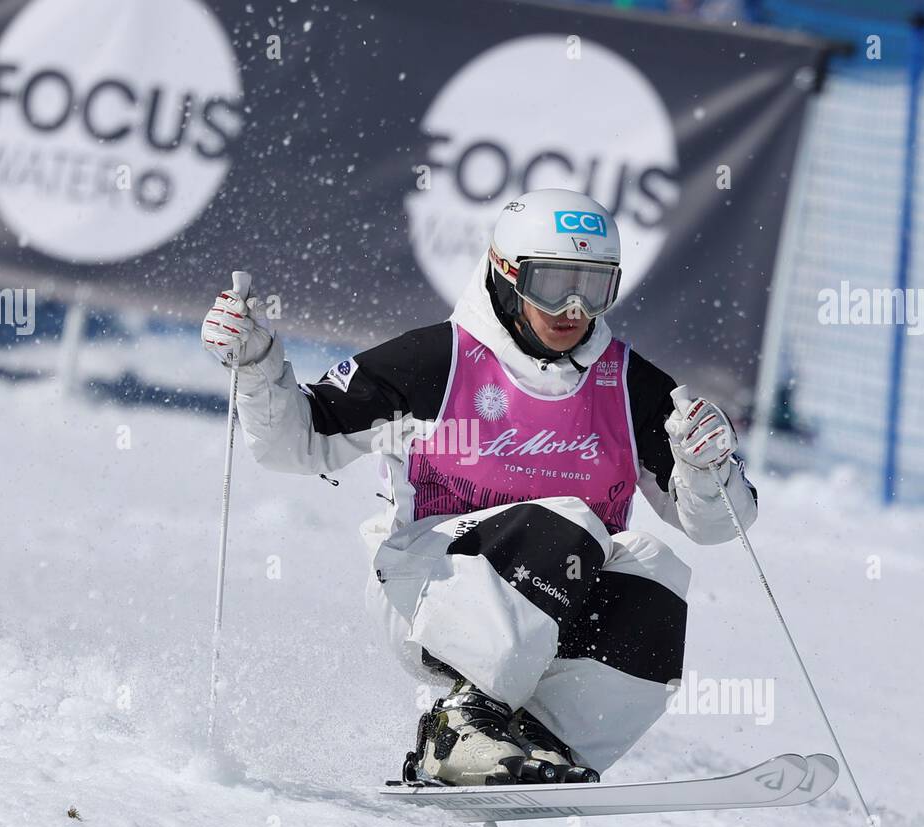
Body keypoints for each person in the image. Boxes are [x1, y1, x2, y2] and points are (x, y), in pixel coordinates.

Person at [202, 188, 758, 786]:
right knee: (568, 517)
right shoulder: (436, 361)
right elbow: (298, 442)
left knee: (655, 569)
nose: (573, 308)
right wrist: (258, 365)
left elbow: (717, 525)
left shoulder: (631, 387)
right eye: (552, 284)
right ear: (507, 275)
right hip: (429, 594)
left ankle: (540, 740)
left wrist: (708, 472)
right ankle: (460, 730)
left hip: (553, 616)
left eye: (593, 287)